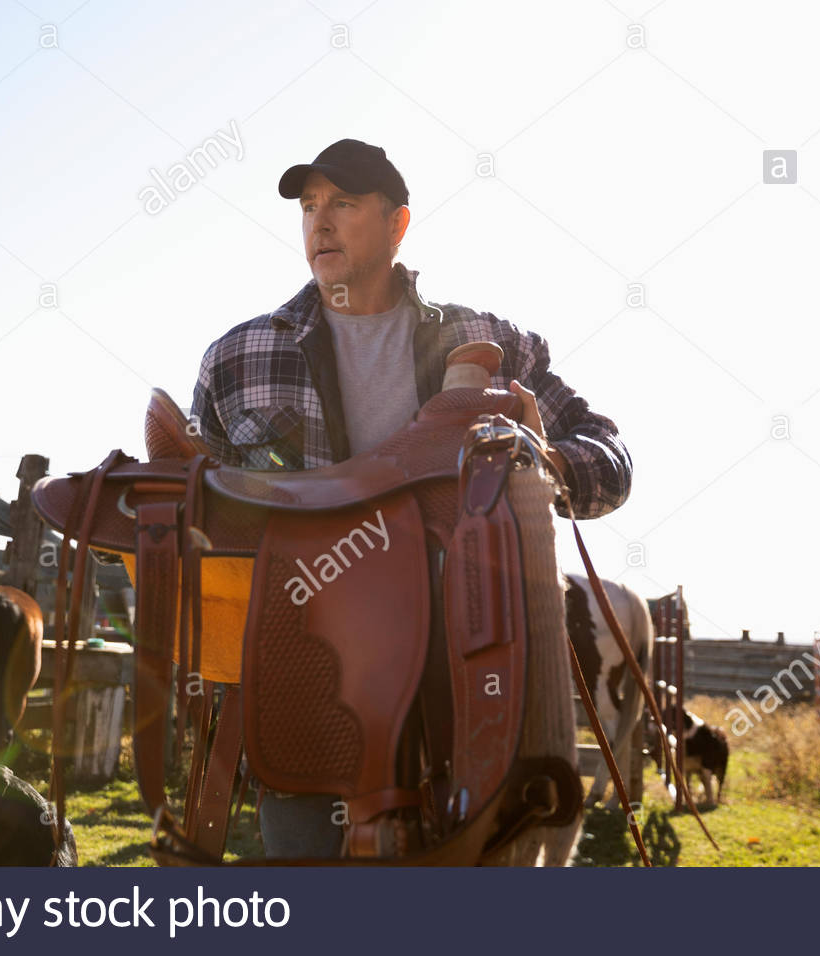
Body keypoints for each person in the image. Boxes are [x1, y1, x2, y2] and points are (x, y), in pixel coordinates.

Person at [190, 138, 633, 857]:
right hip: (304, 678)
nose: (319, 224)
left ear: (397, 224)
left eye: (343, 204)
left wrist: (540, 460)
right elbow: (203, 516)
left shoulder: (487, 340)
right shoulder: (237, 358)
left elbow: (611, 459)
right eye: (308, 207)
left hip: (465, 661)